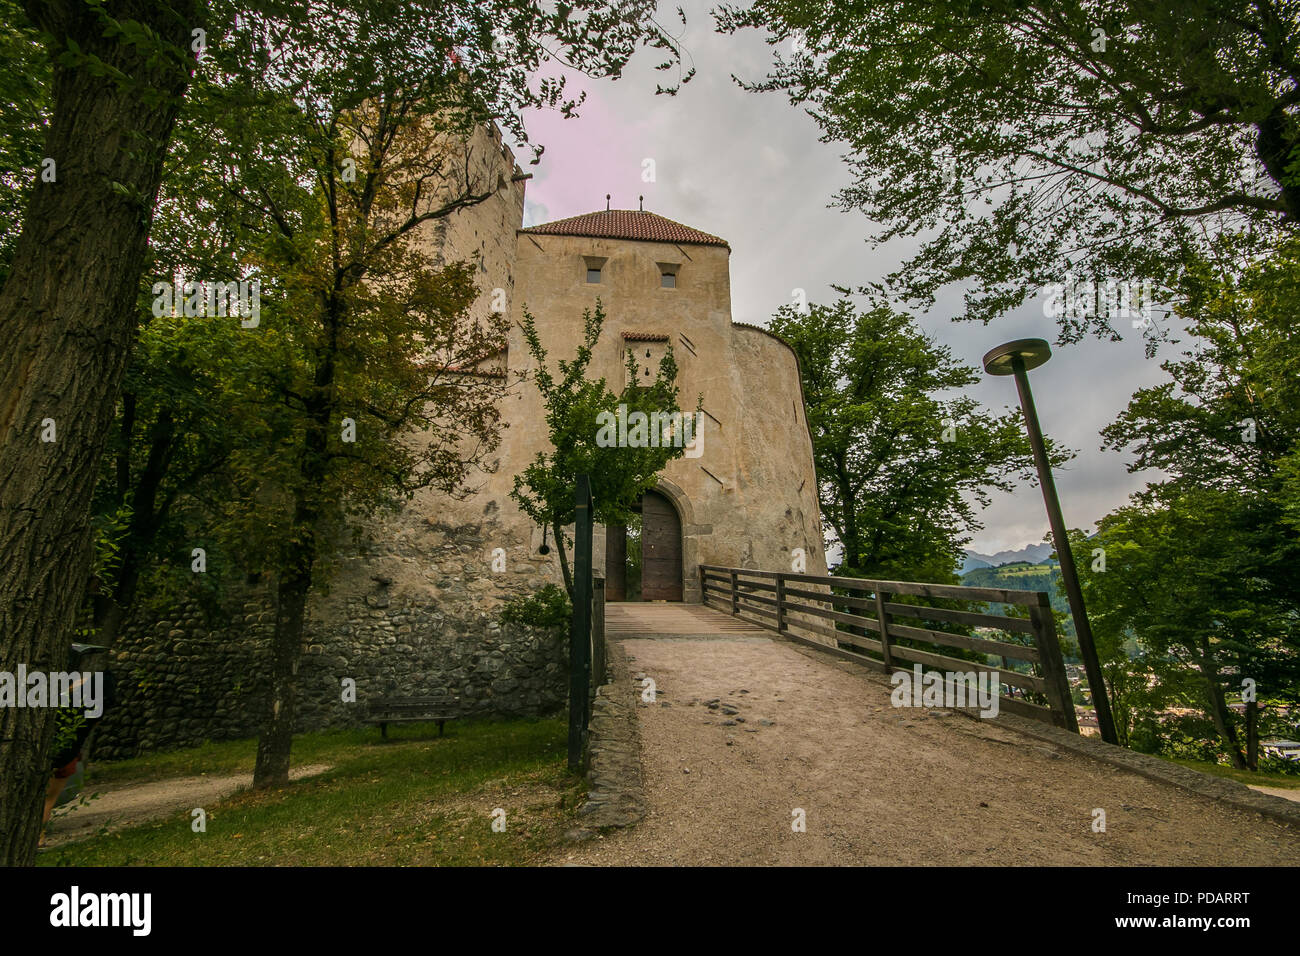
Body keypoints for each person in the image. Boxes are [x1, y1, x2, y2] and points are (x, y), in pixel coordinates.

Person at [39, 644, 116, 847]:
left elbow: (67, 689)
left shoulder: (65, 701)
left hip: (48, 752)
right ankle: (38, 837)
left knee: (41, 798)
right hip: (68, 756)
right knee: (48, 800)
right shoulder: (95, 711)